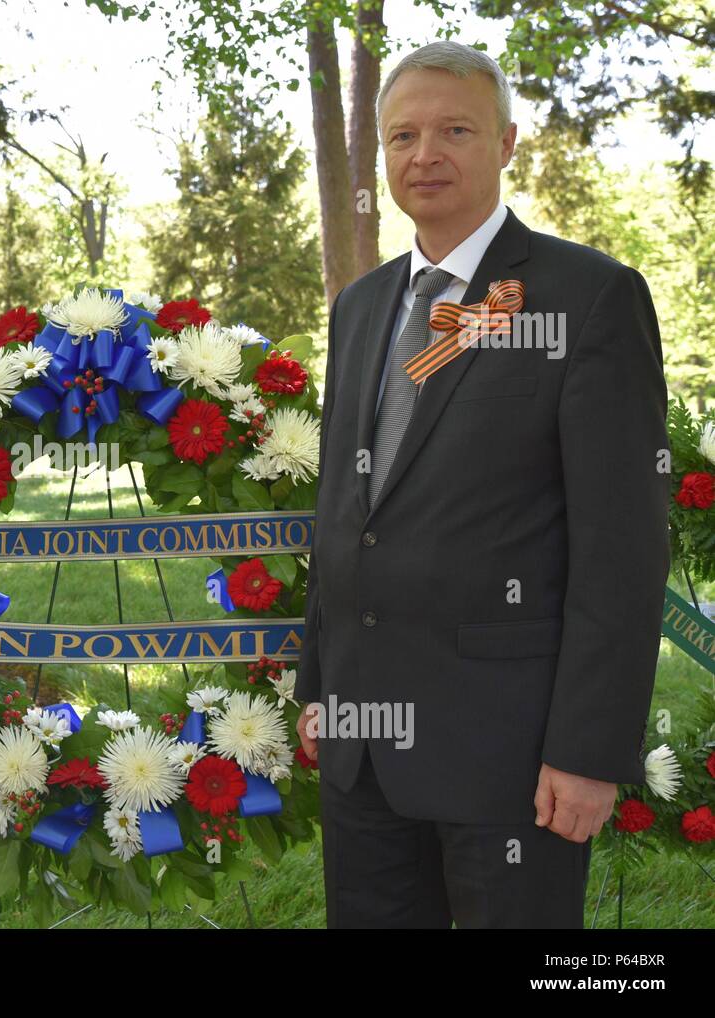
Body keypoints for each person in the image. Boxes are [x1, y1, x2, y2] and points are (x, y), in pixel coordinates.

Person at [295, 41, 669, 928]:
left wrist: (588, 752)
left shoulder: (590, 298)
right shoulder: (360, 306)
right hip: (365, 746)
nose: (425, 155)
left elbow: (622, 547)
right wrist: (321, 686)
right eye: (403, 136)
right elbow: (346, 511)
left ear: (505, 143)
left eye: (454, 130)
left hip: (512, 754)